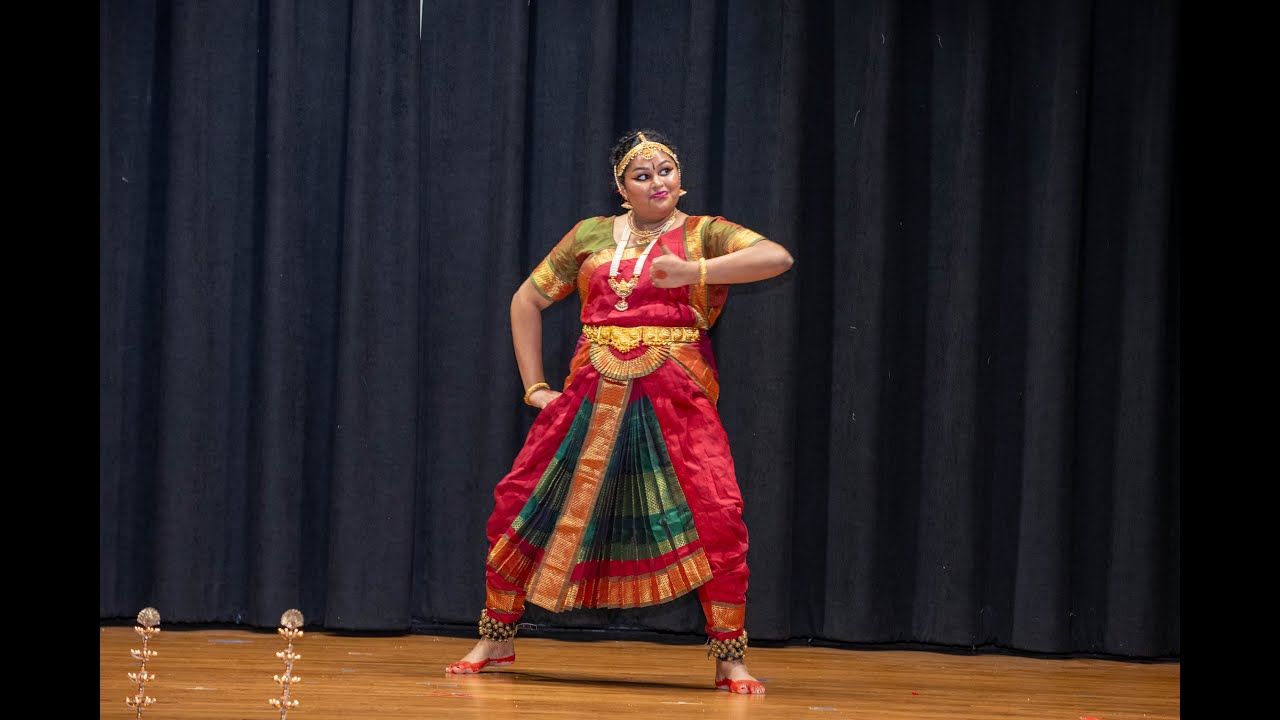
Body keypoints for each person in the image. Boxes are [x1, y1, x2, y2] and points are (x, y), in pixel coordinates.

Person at [446, 129, 794, 695]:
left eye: (666, 171)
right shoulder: (591, 235)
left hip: (676, 392)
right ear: (621, 188)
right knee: (524, 499)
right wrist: (535, 385)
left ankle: (730, 659)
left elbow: (775, 256)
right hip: (590, 388)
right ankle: (497, 638)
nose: (658, 182)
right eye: (642, 175)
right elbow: (526, 299)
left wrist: (694, 273)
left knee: (715, 512)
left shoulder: (704, 234)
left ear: (680, 178)